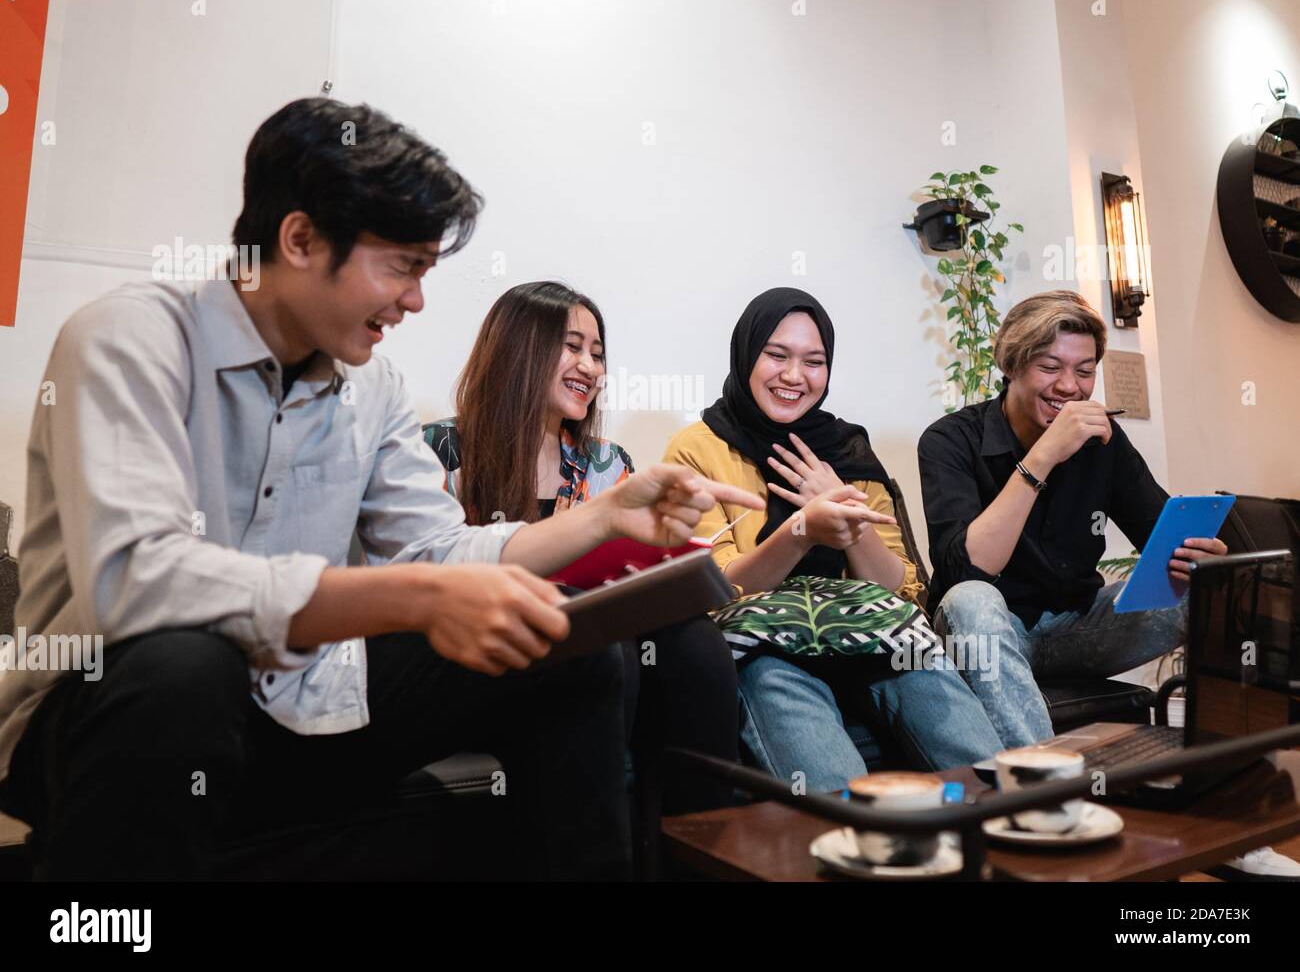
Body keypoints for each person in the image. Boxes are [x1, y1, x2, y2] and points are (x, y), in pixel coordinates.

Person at [0, 98, 761, 881]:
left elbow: (435, 546)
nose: (416, 300)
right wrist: (418, 599)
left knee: (569, 650)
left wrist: (605, 515)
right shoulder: (131, 341)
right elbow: (135, 581)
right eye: (403, 266)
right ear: (299, 239)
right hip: (110, 716)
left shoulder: (375, 388)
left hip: (303, 703)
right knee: (182, 666)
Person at [918, 289, 1300, 880]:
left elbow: (1159, 531)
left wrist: (1197, 559)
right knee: (972, 599)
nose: (1069, 387)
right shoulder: (949, 441)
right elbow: (968, 570)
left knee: (1215, 593)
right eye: (1049, 367)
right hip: (984, 633)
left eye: (1084, 371)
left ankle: (1230, 821)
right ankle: (1056, 814)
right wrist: (1041, 459)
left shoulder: (1105, 442)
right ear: (1011, 364)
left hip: (1075, 628)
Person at [663, 287, 1004, 793]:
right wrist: (801, 532)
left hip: (869, 638)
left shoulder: (847, 450)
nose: (794, 376)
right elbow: (716, 590)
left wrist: (851, 522)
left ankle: (1010, 845)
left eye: (814, 361)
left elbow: (900, 590)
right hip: (765, 649)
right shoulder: (696, 449)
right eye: (776, 355)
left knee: (978, 759)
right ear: (745, 353)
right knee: (794, 713)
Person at [424, 280, 739, 815]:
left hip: (605, 639)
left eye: (598, 353)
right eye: (573, 347)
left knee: (698, 643)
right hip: (490, 650)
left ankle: (702, 843)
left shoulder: (608, 463)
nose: (591, 368)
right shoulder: (442, 449)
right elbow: (428, 569)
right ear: (518, 346)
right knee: (602, 646)